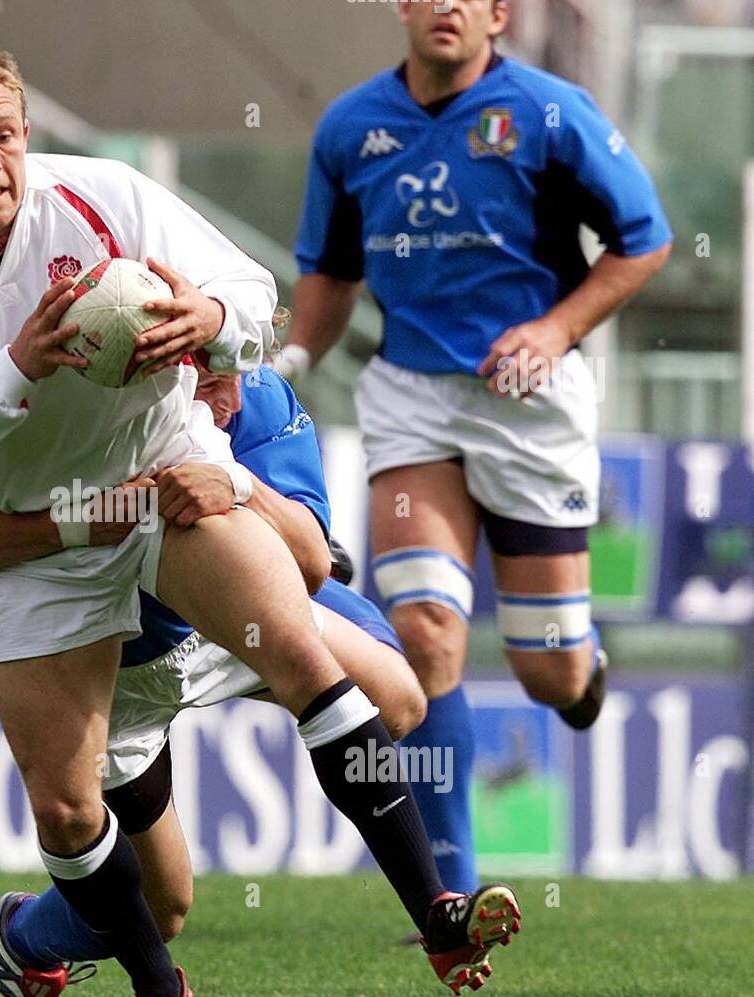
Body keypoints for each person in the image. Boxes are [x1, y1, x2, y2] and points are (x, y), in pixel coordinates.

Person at [0, 44, 518, 997]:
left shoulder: (108, 198)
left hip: (160, 484)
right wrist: (16, 369)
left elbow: (252, 302)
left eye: (4, 135)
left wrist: (207, 314)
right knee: (89, 829)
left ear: (26, 134)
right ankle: (149, 986)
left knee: (311, 657)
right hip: (63, 564)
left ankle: (439, 911)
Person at [0, 363, 523, 997]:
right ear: (155, 362)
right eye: (202, 373)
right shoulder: (22, 402)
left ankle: (435, 907)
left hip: (230, 619)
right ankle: (24, 939)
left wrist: (239, 484)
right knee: (163, 907)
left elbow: (309, 556)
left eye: (231, 370)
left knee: (397, 697)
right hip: (116, 670)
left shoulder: (258, 393)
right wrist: (79, 521)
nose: (220, 397)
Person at [277, 0, 672, 891]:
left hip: (533, 401)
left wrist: (554, 329)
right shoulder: (350, 126)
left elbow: (643, 242)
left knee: (547, 674)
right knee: (422, 638)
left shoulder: (550, 112)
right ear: (403, 8)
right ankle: (449, 885)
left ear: (498, 13)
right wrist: (291, 358)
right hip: (413, 398)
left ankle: (580, 670)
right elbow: (332, 274)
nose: (448, 4)